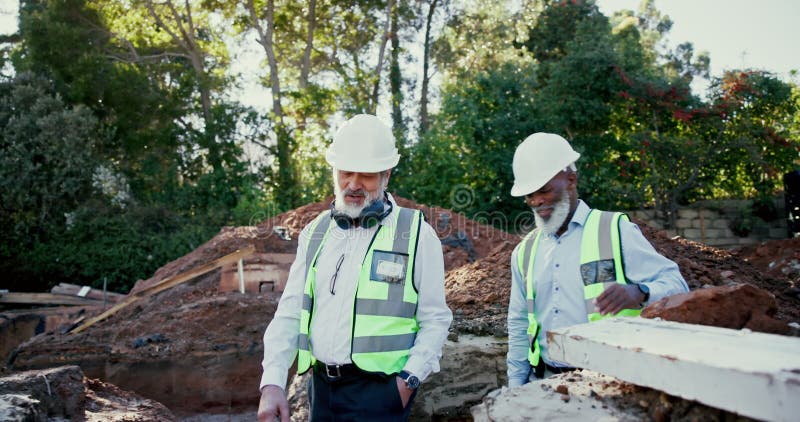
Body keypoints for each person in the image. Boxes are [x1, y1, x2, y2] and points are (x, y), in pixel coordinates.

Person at [257, 114, 452, 421]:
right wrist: (272, 383)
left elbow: (436, 319)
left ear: (386, 174)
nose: (353, 184)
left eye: (367, 176)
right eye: (345, 172)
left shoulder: (415, 234)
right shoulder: (315, 233)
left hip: (381, 394)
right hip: (320, 391)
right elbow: (290, 311)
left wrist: (408, 381)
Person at [506, 132, 689, 386]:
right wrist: (515, 387)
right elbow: (518, 323)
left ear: (571, 180)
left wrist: (640, 292)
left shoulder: (614, 230)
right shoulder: (524, 252)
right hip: (545, 382)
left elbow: (677, 284)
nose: (536, 201)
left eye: (544, 190)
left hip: (612, 384)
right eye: (529, 195)